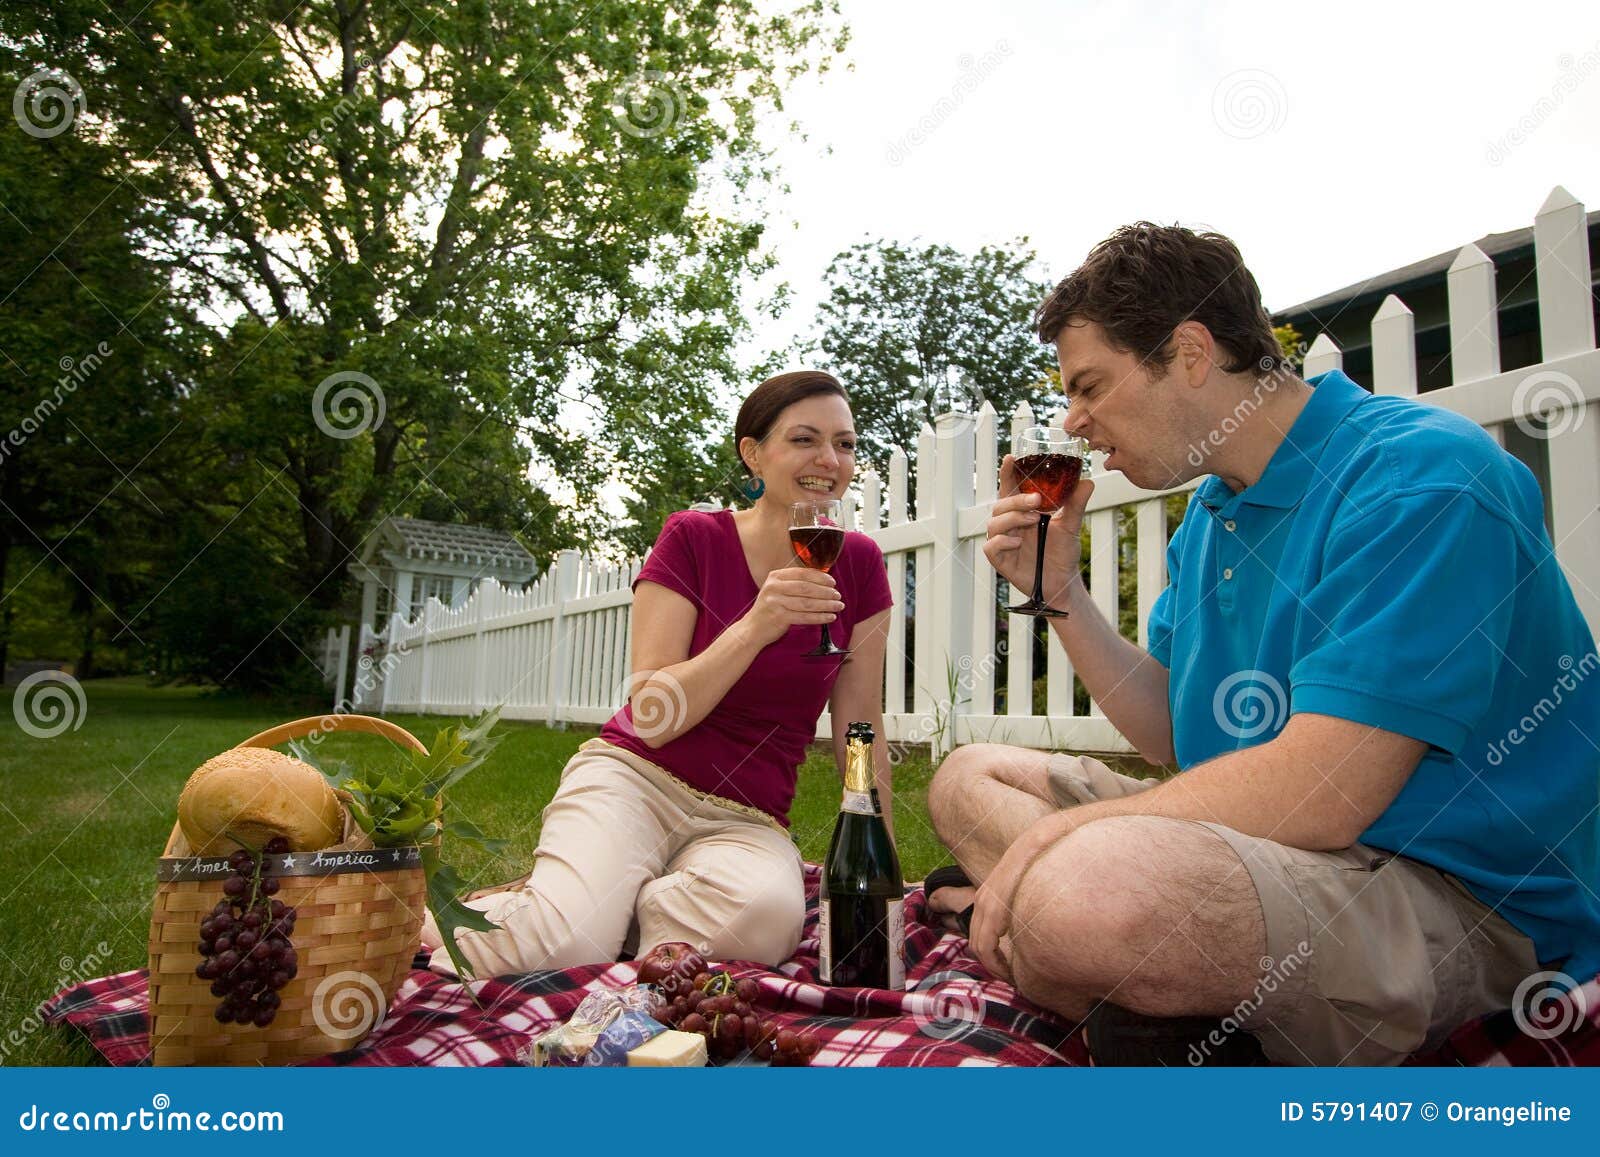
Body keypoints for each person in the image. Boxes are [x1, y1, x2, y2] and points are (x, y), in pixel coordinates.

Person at [925, 222, 1600, 1066]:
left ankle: (1110, 966)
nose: (1076, 421)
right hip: (1276, 851)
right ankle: (1152, 985)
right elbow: (1172, 729)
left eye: (1090, 386)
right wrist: (1058, 594)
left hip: (1458, 895)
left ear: (1191, 351)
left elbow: (1327, 791)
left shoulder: (1422, 478)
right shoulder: (1212, 516)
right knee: (966, 779)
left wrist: (1048, 843)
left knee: (1087, 888)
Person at [422, 370, 894, 976]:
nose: (829, 459)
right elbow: (652, 717)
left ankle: (616, 908)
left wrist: (879, 846)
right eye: (804, 439)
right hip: (635, 780)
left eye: (845, 443)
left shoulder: (859, 564)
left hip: (747, 817)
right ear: (753, 453)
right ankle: (443, 921)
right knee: (561, 949)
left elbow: (861, 723)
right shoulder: (693, 538)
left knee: (762, 927)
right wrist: (756, 625)